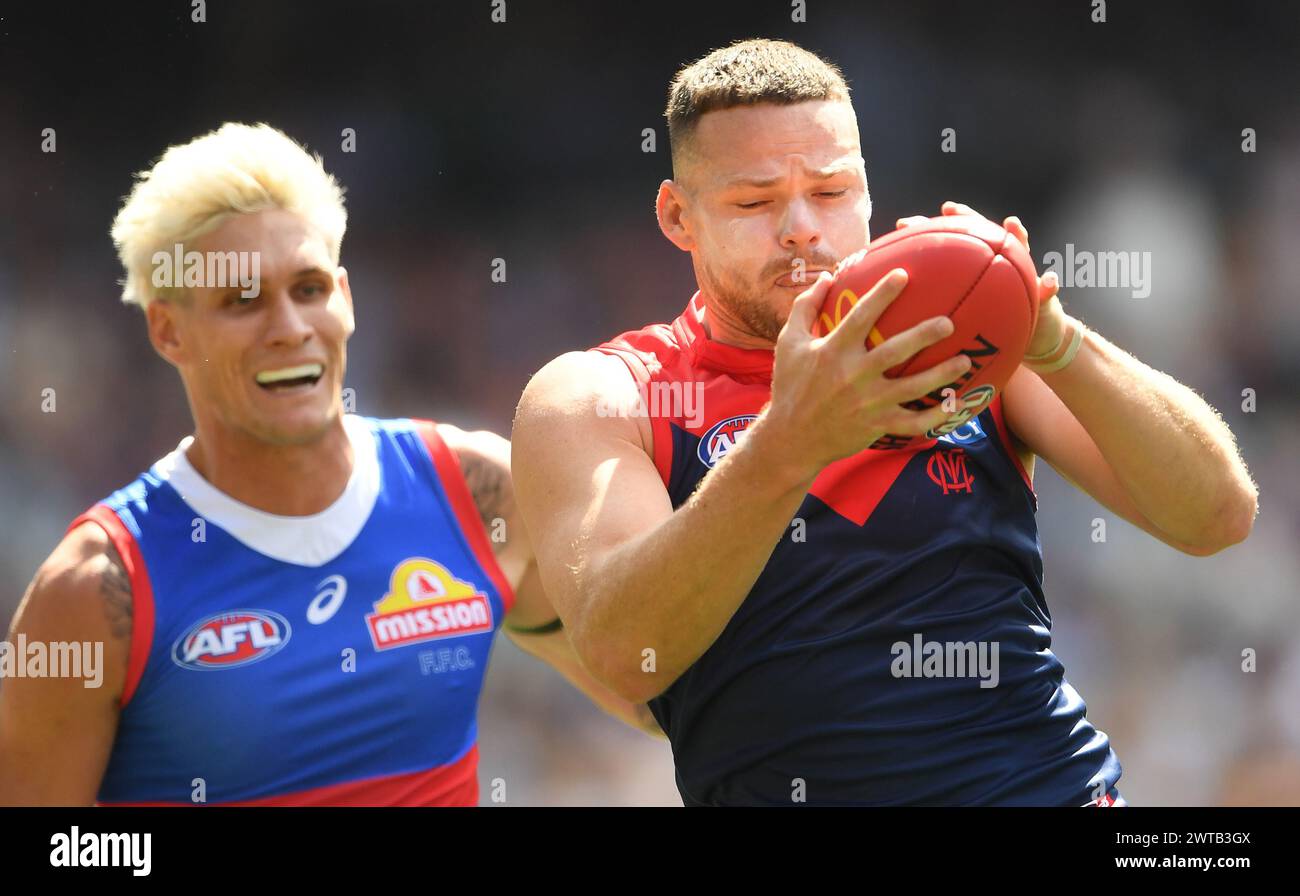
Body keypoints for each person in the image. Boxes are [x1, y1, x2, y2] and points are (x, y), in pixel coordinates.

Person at [511, 39, 1259, 806]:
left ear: (868, 192)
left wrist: (1058, 340)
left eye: (831, 191)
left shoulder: (958, 338)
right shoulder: (606, 393)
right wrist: (787, 446)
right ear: (678, 216)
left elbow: (1217, 516)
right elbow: (625, 652)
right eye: (753, 201)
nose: (801, 227)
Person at [0, 122, 657, 807]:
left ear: (344, 297)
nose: (288, 326)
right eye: (243, 300)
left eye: (308, 288)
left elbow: (670, 701)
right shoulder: (98, 588)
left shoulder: (475, 491)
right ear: (168, 330)